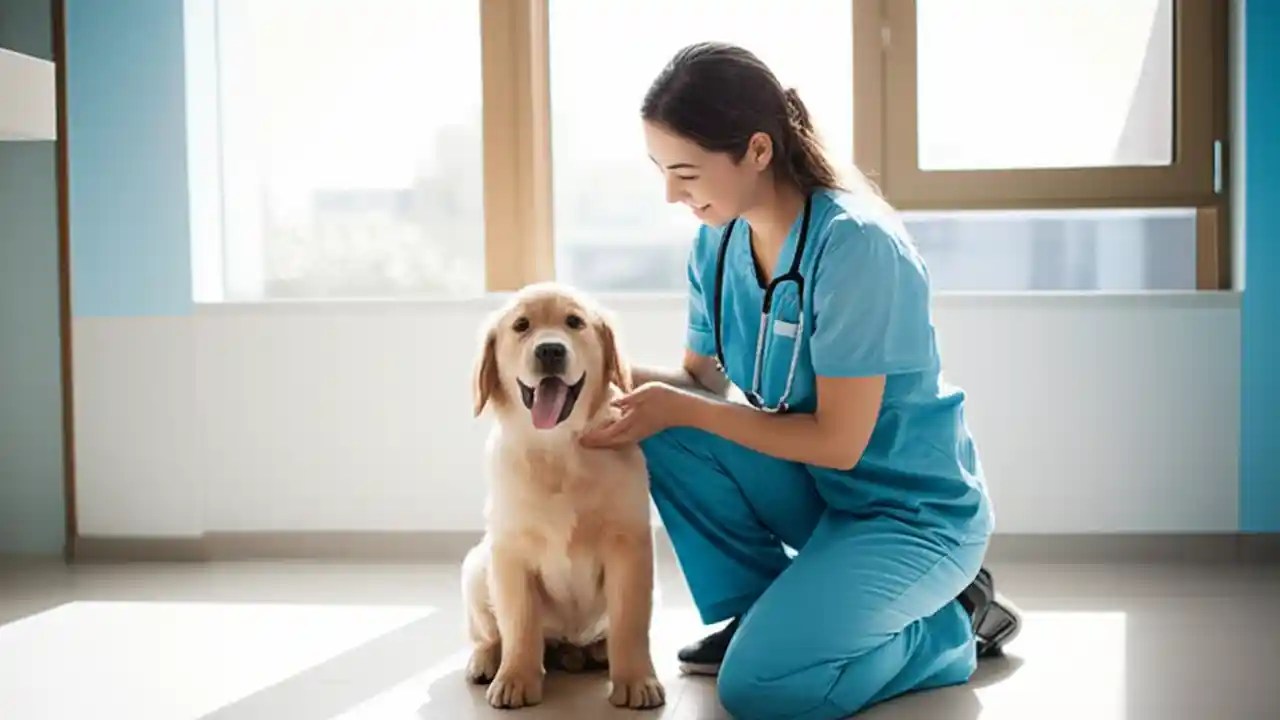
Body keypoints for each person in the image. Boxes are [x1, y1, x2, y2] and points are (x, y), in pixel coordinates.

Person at [579, 41, 1021, 720]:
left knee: (762, 689)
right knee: (656, 425)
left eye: (686, 172)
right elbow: (699, 385)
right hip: (823, 496)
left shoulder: (858, 247)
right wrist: (592, 374)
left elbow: (840, 441)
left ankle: (949, 629)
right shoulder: (717, 240)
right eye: (662, 171)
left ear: (758, 151)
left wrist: (679, 406)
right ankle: (760, 614)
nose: (671, 193)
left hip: (910, 516)